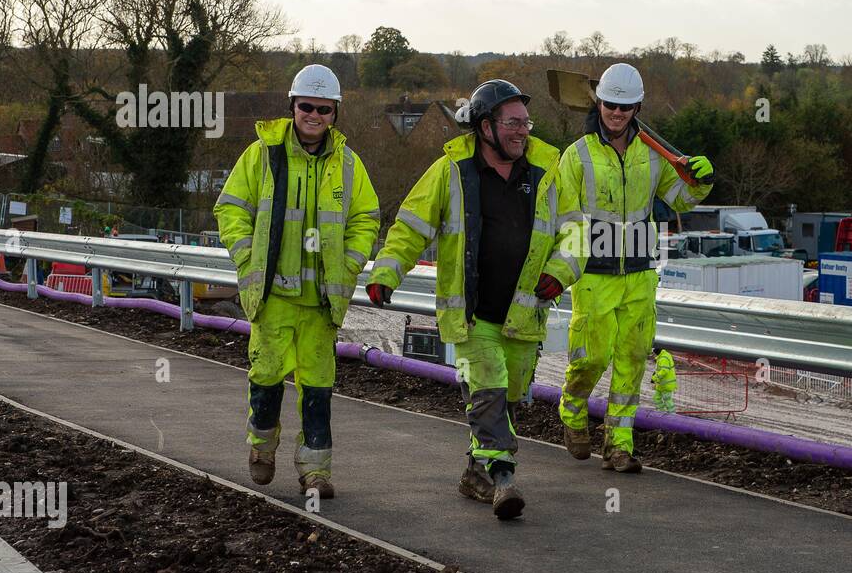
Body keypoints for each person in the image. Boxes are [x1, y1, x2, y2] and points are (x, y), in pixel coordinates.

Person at [366, 79, 583, 519]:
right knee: (488, 392)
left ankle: (474, 472)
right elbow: (411, 226)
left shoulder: (547, 171)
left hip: (524, 316)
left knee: (511, 399)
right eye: (513, 123)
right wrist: (386, 273)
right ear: (485, 127)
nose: (523, 131)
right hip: (470, 315)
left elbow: (576, 233)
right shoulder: (451, 172)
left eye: (526, 122)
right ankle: (503, 478)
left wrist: (560, 274)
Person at [214, 64, 380, 498]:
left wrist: (350, 264)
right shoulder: (262, 155)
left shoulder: (347, 164)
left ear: (335, 113)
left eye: (324, 109)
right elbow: (230, 209)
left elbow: (366, 218)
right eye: (307, 106)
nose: (314, 115)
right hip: (273, 298)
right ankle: (261, 448)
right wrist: (247, 257)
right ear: (293, 106)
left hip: (322, 303)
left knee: (318, 392)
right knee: (265, 381)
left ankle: (315, 472)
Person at [558, 63, 713, 472]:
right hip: (593, 273)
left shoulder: (652, 155)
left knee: (631, 359)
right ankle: (573, 409)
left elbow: (679, 199)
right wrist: (561, 270)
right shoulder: (577, 156)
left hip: (641, 273)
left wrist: (700, 181)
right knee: (591, 358)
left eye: (625, 108)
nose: (616, 113)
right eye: (610, 105)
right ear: (599, 103)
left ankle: (619, 446)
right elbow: (563, 219)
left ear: (636, 107)